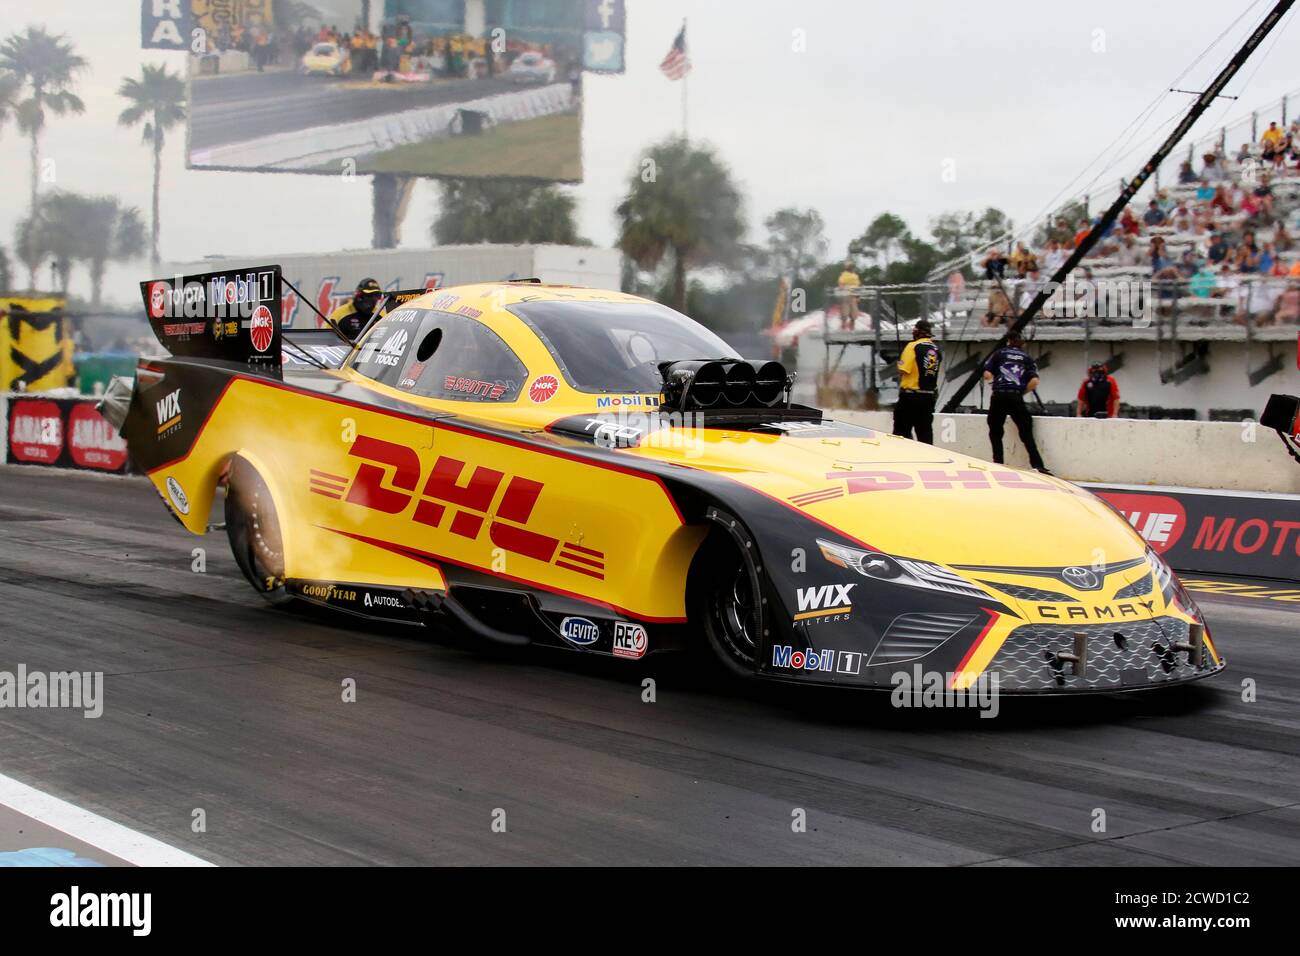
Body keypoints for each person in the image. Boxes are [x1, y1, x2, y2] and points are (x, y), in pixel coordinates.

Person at [982, 330, 1049, 473]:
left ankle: (998, 463)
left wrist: (993, 386)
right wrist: (1020, 392)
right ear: (1022, 343)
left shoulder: (998, 354)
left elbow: (987, 374)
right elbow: (1034, 381)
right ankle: (1038, 465)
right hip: (1015, 397)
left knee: (995, 431)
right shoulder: (1027, 358)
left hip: (998, 396)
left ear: (1008, 341)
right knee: (1026, 433)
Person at [893, 318, 942, 444]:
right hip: (928, 398)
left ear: (917, 332)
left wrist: (899, 362)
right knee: (925, 435)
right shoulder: (936, 349)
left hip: (910, 397)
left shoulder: (912, 346)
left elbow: (903, 370)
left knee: (900, 434)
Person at [835, 260, 861, 328]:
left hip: (852, 296)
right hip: (846, 296)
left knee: (853, 315)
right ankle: (843, 327)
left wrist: (857, 297)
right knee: (844, 314)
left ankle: (851, 328)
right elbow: (841, 285)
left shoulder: (855, 276)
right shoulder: (844, 275)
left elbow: (857, 286)